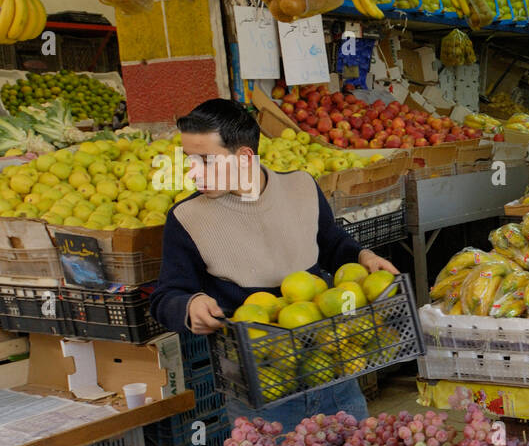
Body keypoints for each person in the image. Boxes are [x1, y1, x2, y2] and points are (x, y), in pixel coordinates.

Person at [149, 99, 399, 428]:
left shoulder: (301, 187)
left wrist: (363, 256)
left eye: (206, 161)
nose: (194, 172)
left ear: (244, 157)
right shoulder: (186, 219)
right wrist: (189, 304)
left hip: (332, 371)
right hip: (262, 393)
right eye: (189, 160)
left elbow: (332, 244)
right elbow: (165, 295)